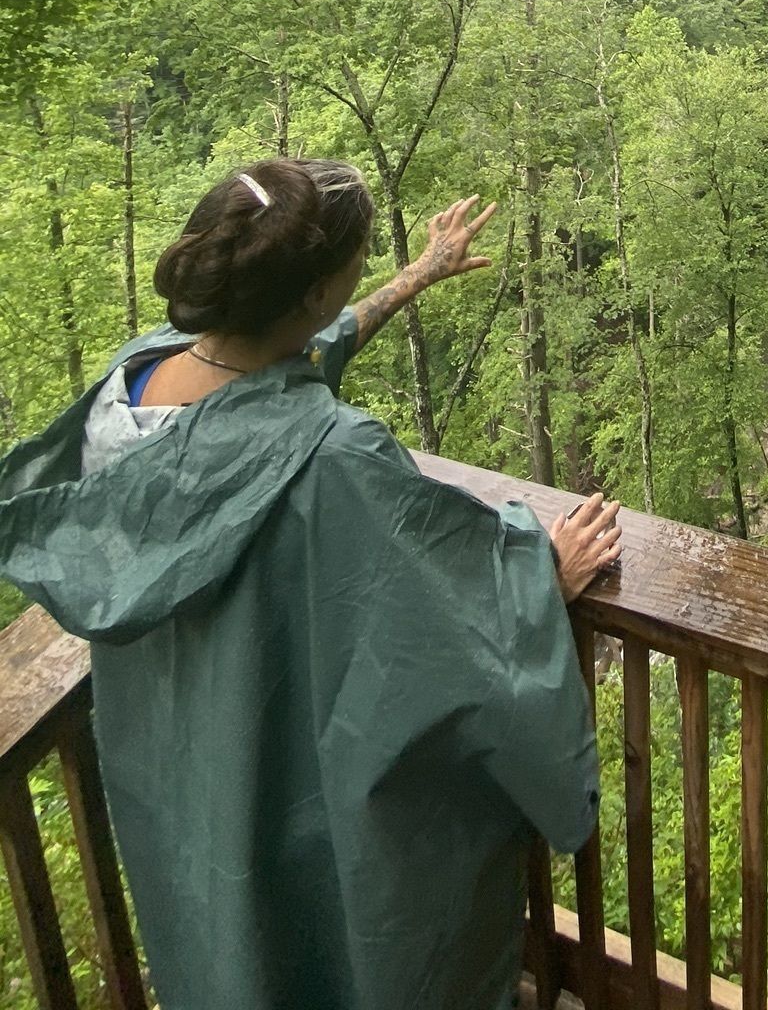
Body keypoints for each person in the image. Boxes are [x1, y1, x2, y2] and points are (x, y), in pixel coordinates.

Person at [0, 157, 621, 1010]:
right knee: (329, 936)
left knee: (227, 942)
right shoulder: (335, 459)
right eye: (356, 268)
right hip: (281, 759)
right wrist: (540, 571)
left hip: (177, 757)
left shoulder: (135, 381)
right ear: (310, 296)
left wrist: (415, 275)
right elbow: (446, 596)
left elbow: (266, 376)